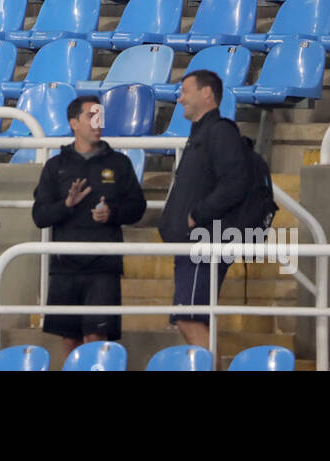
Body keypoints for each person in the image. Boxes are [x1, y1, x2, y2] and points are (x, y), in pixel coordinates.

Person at [32, 95, 146, 357]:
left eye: (101, 117)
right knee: (70, 341)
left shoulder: (119, 164)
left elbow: (138, 208)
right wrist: (67, 204)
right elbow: (39, 216)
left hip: (103, 266)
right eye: (91, 117)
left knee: (96, 338)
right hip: (65, 267)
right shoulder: (55, 167)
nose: (98, 123)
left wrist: (112, 213)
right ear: (73, 122)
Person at [157, 70, 249, 348]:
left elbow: (235, 184)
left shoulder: (219, 132)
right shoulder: (202, 134)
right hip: (191, 245)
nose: (180, 97)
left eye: (186, 91)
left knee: (189, 319)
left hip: (203, 243)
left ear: (206, 93)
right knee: (194, 320)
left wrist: (197, 215)